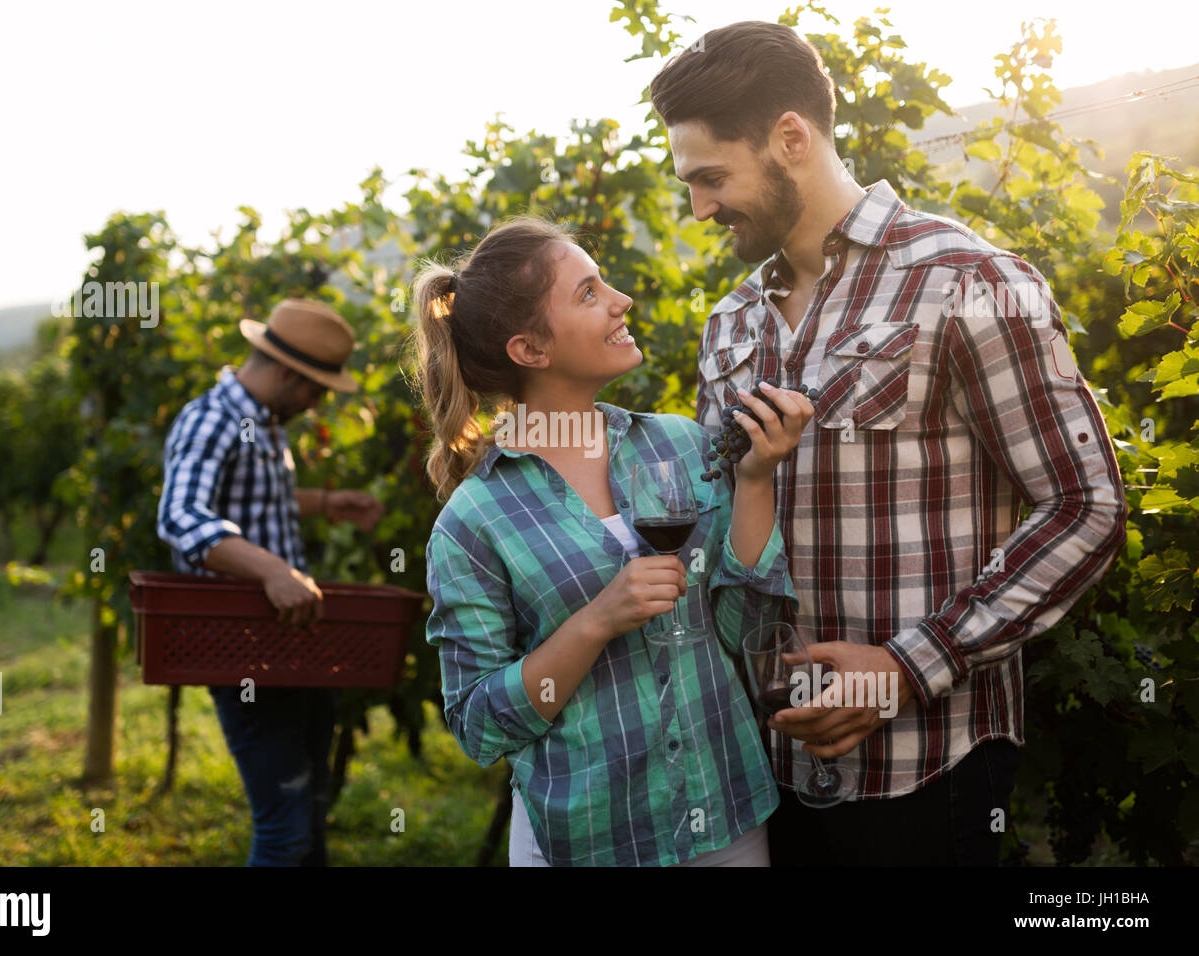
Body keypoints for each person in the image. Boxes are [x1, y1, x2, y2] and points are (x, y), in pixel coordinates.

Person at [648, 21, 1128, 865]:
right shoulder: (729, 325)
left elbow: (1085, 506)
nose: (700, 207)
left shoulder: (966, 281)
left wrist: (907, 667)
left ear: (790, 137)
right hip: (761, 772)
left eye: (711, 177)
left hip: (924, 769)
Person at [414, 216, 812, 866]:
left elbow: (746, 630)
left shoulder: (679, 447)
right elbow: (481, 726)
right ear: (531, 350)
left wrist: (757, 478)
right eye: (589, 293)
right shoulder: (474, 521)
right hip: (592, 837)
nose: (621, 300)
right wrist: (596, 622)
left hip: (725, 812)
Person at [156, 297, 385, 865]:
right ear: (288, 373)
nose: (317, 403)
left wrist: (327, 503)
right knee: (283, 825)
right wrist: (274, 570)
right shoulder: (212, 418)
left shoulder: (267, 424)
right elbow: (181, 515)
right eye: (316, 390)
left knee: (308, 811)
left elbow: (253, 502)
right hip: (243, 649)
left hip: (290, 641)